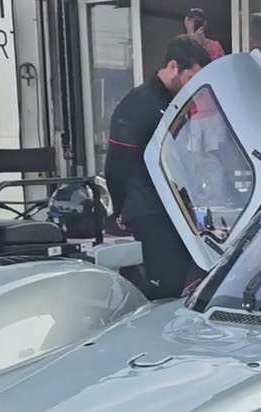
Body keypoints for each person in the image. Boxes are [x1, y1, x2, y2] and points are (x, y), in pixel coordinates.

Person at [104, 35, 213, 300]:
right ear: (174, 67)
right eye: (191, 78)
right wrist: (120, 209)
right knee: (168, 282)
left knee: (192, 275)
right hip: (148, 207)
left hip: (176, 205)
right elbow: (117, 162)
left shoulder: (176, 102)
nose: (193, 86)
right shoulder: (139, 103)